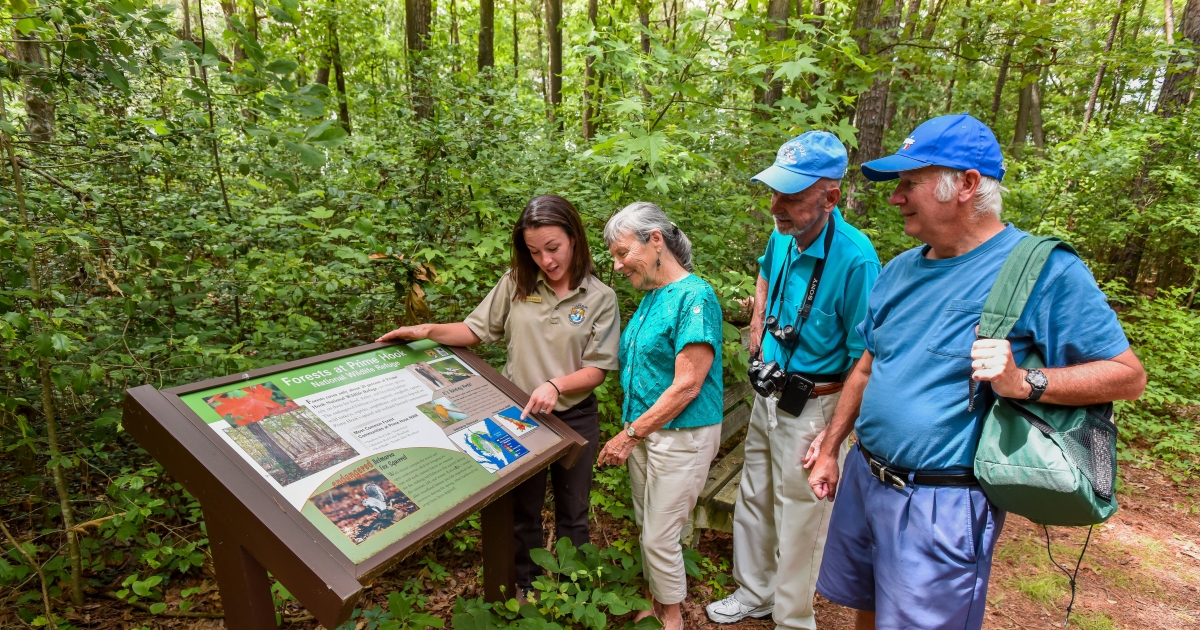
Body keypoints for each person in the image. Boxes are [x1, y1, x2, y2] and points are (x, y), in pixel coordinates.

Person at [807, 113, 1147, 630]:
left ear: (966, 184)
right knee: (868, 612)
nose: (895, 197)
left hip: (941, 501)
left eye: (909, 183)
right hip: (864, 477)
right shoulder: (899, 269)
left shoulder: (1042, 270)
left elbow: (1127, 375)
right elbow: (867, 366)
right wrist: (832, 448)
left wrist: (1025, 382)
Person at [377, 194, 620, 593]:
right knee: (521, 510)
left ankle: (573, 591)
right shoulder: (516, 283)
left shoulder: (600, 298)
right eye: (534, 251)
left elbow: (597, 370)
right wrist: (425, 331)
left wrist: (556, 385)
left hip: (574, 415)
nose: (546, 260)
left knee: (573, 510)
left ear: (574, 237)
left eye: (553, 248)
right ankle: (523, 588)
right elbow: (475, 330)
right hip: (518, 415)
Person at [706, 131, 880, 630]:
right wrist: (759, 321)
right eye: (775, 192)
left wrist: (832, 439)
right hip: (768, 395)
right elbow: (764, 273)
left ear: (830, 197)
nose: (777, 206)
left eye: (793, 196)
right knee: (754, 496)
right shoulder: (782, 233)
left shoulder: (856, 259)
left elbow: (862, 362)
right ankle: (754, 592)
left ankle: (793, 619)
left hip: (816, 405)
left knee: (803, 518)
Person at [596, 202, 724, 630]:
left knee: (659, 534)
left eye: (621, 253)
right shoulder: (651, 297)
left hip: (681, 434)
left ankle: (671, 617)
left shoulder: (696, 295)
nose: (616, 266)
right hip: (646, 432)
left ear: (655, 241)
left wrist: (630, 433)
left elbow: (688, 384)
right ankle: (654, 599)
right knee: (645, 522)